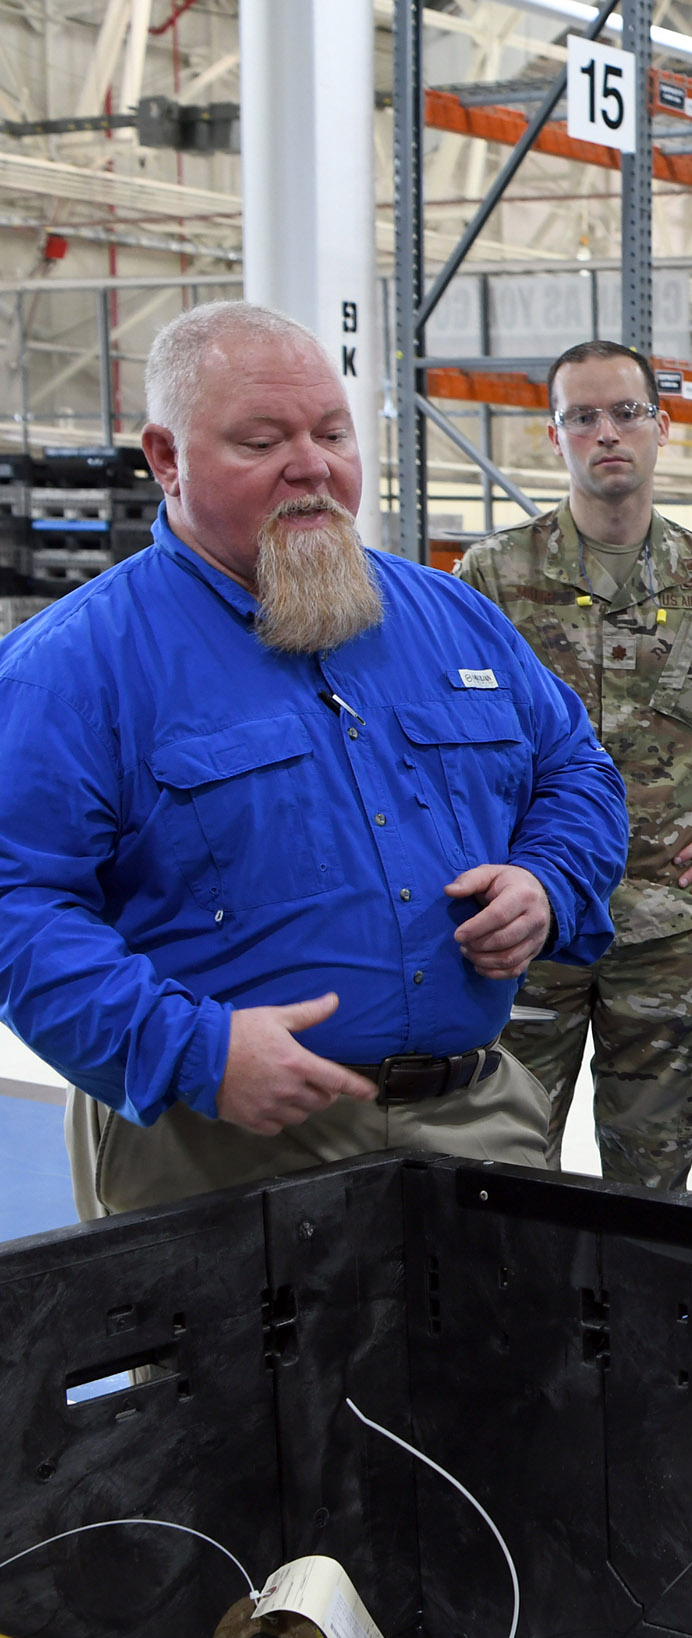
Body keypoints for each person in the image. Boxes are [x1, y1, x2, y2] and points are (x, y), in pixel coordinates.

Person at [0, 301, 625, 1216]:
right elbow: (18, 906)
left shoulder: (450, 617)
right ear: (166, 460)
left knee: (509, 1362)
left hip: (474, 1118)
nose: (312, 466)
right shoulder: (70, 670)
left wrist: (548, 882)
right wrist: (194, 1052)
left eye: (333, 432)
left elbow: (575, 769)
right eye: (261, 442)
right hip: (213, 1152)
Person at [457, 340, 692, 1190]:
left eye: (626, 412)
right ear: (552, 436)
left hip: (672, 925)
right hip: (532, 921)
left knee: (655, 1186)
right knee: (505, 1172)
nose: (608, 433)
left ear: (661, 428)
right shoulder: (493, 577)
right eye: (583, 416)